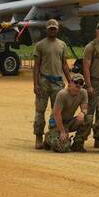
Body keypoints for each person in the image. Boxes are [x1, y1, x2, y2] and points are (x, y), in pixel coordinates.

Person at [32, 19, 69, 150]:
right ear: (46, 29)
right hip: (44, 81)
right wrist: (35, 84)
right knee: (40, 111)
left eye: (54, 28)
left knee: (56, 111)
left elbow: (64, 64)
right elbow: (36, 66)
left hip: (57, 82)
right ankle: (38, 136)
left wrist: (70, 81)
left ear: (58, 29)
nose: (52, 30)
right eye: (50, 28)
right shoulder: (40, 45)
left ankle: (52, 135)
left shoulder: (62, 45)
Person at [47, 73, 92, 153]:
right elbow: (57, 114)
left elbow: (84, 108)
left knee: (88, 118)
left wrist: (83, 113)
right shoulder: (62, 94)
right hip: (57, 123)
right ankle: (48, 138)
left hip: (69, 122)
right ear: (70, 83)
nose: (78, 85)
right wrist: (62, 131)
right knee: (62, 148)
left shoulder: (83, 93)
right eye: (76, 82)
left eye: (81, 83)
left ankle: (78, 144)